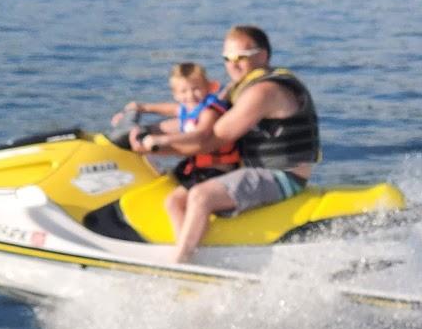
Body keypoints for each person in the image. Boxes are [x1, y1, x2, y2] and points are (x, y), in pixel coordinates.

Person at [131, 25, 320, 263]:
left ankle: (181, 261)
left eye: (242, 57)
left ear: (262, 56)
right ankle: (194, 253)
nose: (233, 64)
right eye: (227, 58)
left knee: (200, 196)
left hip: (281, 175)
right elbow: (199, 120)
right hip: (254, 169)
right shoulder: (238, 86)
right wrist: (145, 130)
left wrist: (156, 145)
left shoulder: (263, 91)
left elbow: (211, 139)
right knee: (175, 199)